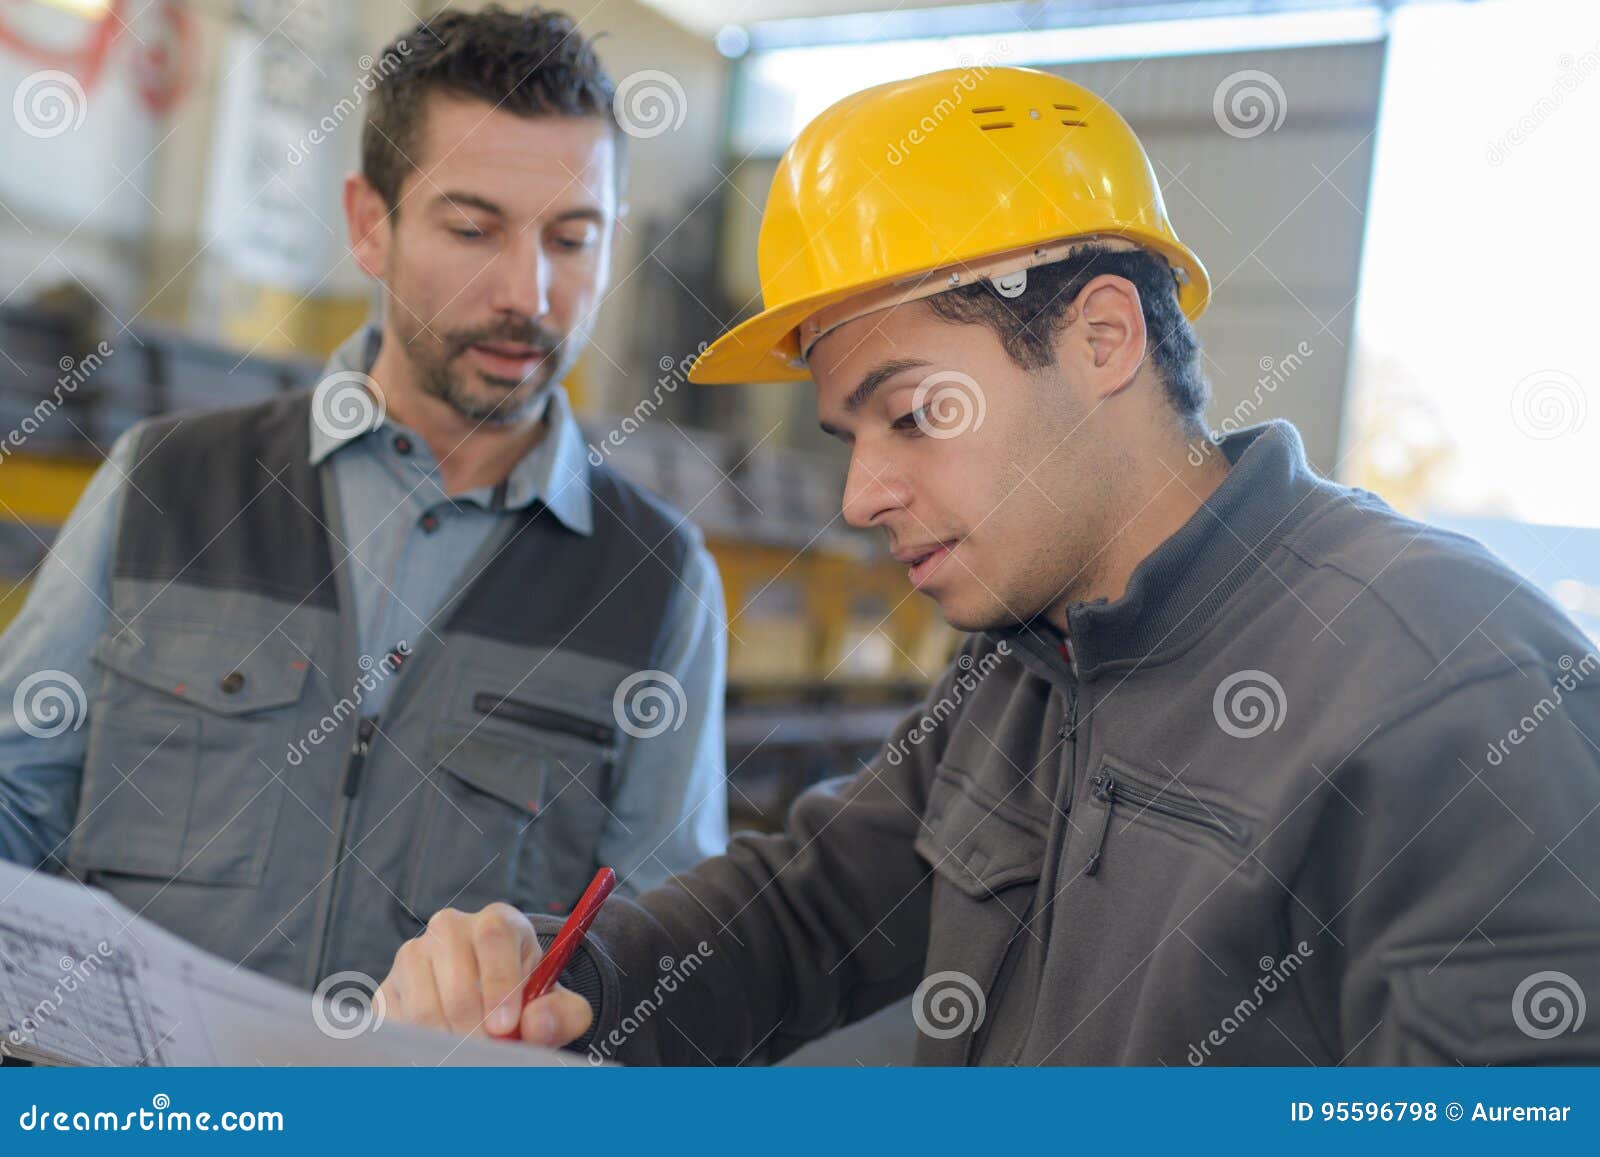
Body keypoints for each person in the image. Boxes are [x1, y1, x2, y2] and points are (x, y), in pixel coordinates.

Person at [376, 66, 1600, 1064]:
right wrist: (558, 974)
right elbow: (805, 910)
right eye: (851, 435)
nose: (863, 495)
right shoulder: (1031, 663)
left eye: (912, 413)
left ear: (1102, 336)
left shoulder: (1447, 681)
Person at [0, 6, 727, 993]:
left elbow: (658, 941)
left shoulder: (655, 583)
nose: (529, 290)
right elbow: (16, 802)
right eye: (473, 229)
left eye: (571, 237)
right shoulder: (164, 484)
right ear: (368, 225)